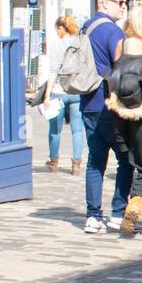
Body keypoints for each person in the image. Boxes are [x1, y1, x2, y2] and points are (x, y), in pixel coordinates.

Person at [79, 0, 133, 234]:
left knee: (95, 161)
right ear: (104, 3)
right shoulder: (112, 31)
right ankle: (117, 213)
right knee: (126, 160)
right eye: (119, 2)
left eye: (125, 2)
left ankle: (92, 216)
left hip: (87, 103)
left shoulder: (85, 27)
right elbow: (122, 67)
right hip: (108, 105)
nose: (124, 6)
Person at [104, 0, 142, 236]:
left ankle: (125, 207)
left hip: (121, 111)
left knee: (133, 162)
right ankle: (136, 203)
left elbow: (115, 78)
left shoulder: (122, 44)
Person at [42, 15, 85, 175]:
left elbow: (53, 70)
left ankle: (53, 162)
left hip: (59, 92)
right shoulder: (80, 44)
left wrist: (47, 95)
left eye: (57, 29)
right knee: (77, 129)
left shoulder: (55, 45)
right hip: (76, 91)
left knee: (54, 129)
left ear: (61, 28)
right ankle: (76, 164)